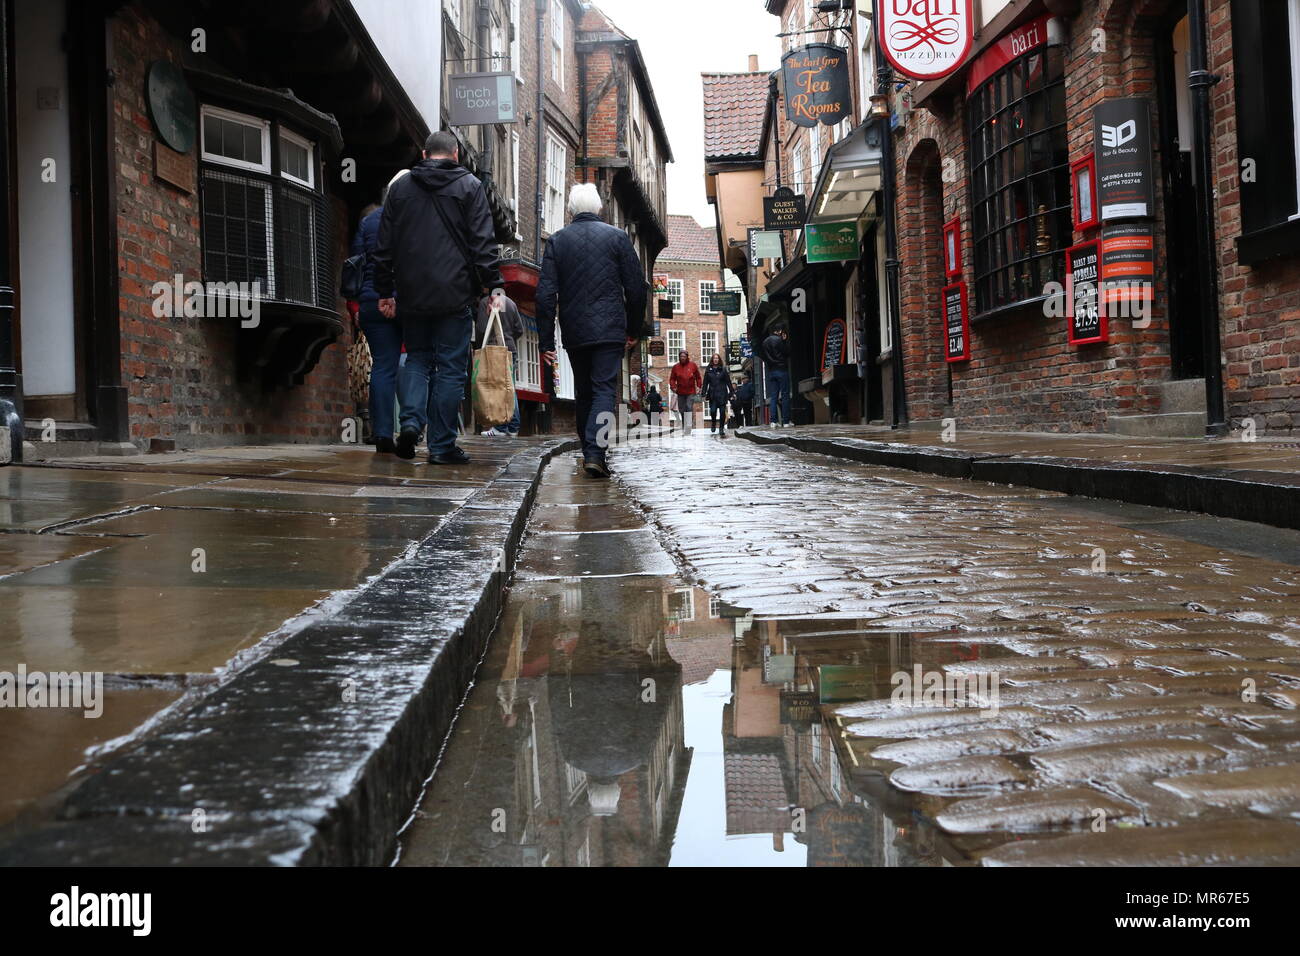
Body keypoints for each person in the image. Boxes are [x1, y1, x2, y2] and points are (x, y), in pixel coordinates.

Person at [373, 131, 505, 465]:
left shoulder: (400, 189)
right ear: (456, 154)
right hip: (455, 293)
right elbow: (482, 242)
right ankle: (442, 446)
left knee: (417, 359)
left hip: (412, 293)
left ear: (424, 153)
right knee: (449, 369)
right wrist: (494, 287)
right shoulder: (471, 187)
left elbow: (383, 245)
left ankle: (411, 423)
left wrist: (385, 291)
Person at [536, 183, 646, 479]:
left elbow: (545, 294)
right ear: (599, 208)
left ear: (571, 209)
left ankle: (590, 452)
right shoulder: (617, 238)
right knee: (603, 390)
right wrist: (634, 327)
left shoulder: (558, 242)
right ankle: (595, 454)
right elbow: (636, 289)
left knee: (584, 391)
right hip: (610, 328)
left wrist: (545, 340)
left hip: (574, 328)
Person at [350, 189, 404, 454]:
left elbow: (355, 263)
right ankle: (412, 427)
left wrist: (357, 304)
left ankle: (382, 433)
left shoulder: (368, 222)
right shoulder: (413, 217)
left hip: (371, 302)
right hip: (409, 301)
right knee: (418, 362)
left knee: (383, 366)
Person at [475, 290, 525, 436]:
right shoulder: (511, 303)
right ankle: (513, 426)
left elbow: (482, 329)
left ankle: (501, 427)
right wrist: (509, 338)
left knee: (499, 387)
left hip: (494, 349)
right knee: (510, 386)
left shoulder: (486, 302)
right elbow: (520, 330)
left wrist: (479, 347)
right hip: (510, 349)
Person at [763, 325, 792, 427]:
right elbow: (787, 352)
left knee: (774, 397)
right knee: (785, 395)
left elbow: (765, 357)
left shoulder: (765, 342)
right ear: (779, 331)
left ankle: (773, 421)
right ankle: (786, 421)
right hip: (781, 369)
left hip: (771, 371)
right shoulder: (779, 340)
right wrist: (784, 341)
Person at [669, 349, 702, 435]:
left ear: (687, 357)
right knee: (682, 410)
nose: (682, 358)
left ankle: (688, 427)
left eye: (684, 356)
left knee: (689, 407)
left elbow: (698, 377)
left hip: (691, 391)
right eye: (681, 356)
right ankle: (684, 425)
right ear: (679, 357)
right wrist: (673, 387)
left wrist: (698, 386)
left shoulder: (693, 366)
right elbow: (672, 379)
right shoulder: (676, 367)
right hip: (680, 392)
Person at [702, 352, 735, 435]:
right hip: (712, 395)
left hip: (722, 394)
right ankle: (713, 423)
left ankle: (721, 428)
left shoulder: (723, 369)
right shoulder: (708, 370)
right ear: (712, 360)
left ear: (719, 360)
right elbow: (705, 383)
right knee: (713, 411)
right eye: (714, 358)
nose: (715, 360)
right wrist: (703, 393)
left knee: (722, 412)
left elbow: (728, 382)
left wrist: (732, 392)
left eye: (717, 358)